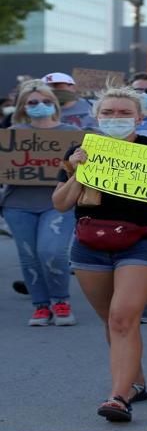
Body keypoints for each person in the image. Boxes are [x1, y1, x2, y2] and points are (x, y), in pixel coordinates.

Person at [53, 87, 147, 421]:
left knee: (122, 317)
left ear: (139, 118)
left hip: (142, 242)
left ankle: (118, 397)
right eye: (108, 112)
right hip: (90, 244)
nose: (115, 118)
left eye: (124, 113)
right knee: (113, 320)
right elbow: (60, 203)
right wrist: (78, 171)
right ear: (96, 116)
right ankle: (135, 383)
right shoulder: (82, 150)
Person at [5, 81, 79, 327]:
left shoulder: (72, 133)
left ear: (55, 105)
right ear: (23, 107)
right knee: (29, 257)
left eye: (46, 101)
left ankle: (61, 301)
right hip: (18, 204)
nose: (40, 105)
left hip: (58, 203)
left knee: (53, 251)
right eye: (33, 102)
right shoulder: (13, 133)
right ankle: (41, 306)